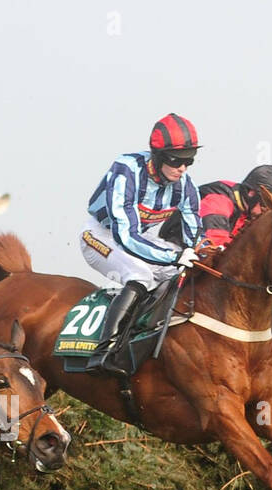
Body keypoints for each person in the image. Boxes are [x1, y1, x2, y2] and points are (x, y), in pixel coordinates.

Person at [80, 113, 202, 375]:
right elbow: (125, 235)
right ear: (156, 156)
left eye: (189, 160)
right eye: (176, 160)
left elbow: (193, 227)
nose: (182, 168)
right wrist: (172, 257)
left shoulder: (185, 184)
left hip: (142, 237)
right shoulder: (127, 169)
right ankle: (104, 352)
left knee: (181, 274)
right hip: (101, 235)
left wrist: (193, 252)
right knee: (140, 274)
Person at [197, 164, 272, 249]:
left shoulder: (245, 207)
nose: (265, 212)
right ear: (251, 194)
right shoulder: (218, 200)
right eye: (265, 205)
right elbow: (216, 245)